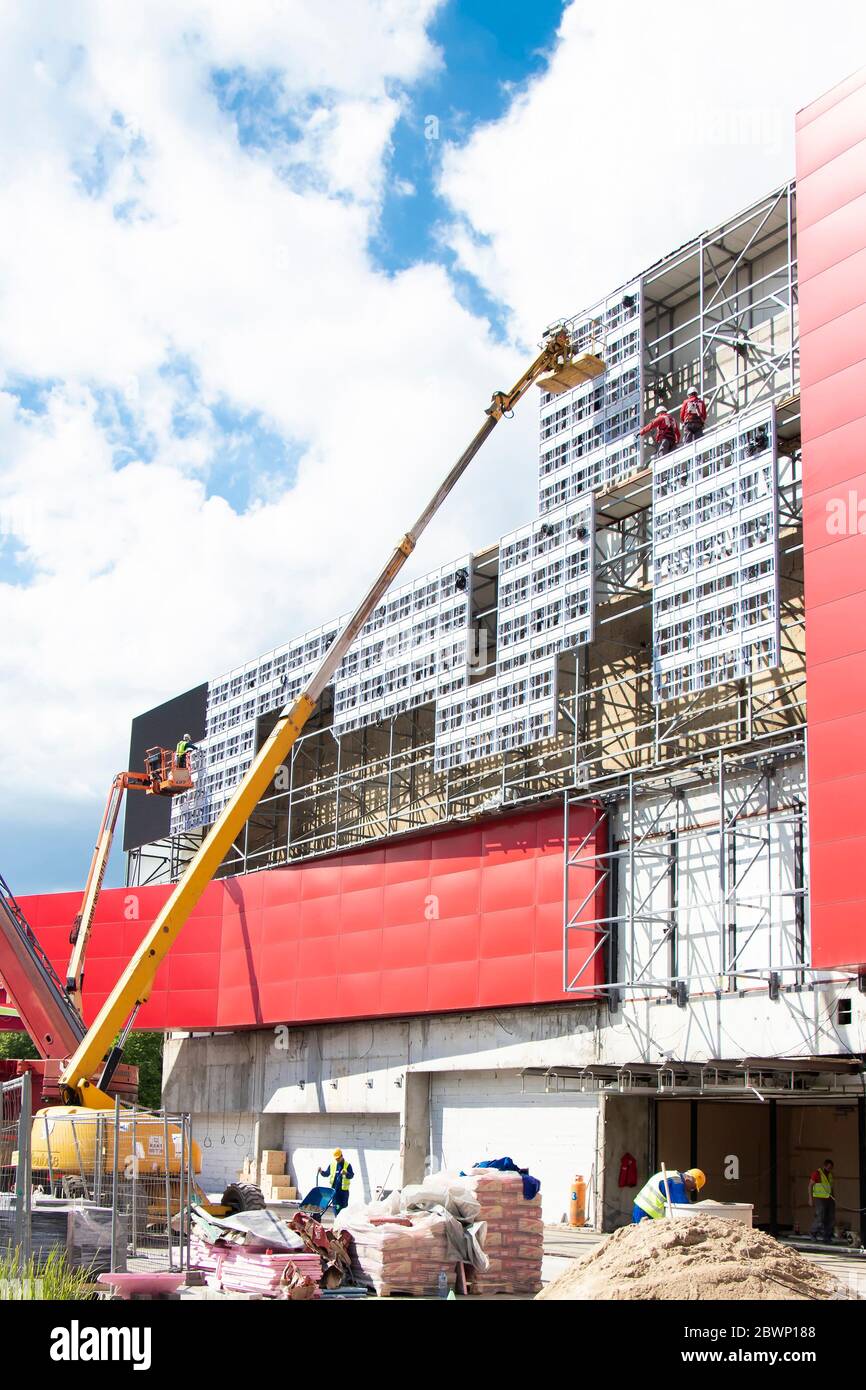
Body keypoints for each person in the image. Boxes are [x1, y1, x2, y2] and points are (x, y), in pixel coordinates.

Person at [632, 1167, 706, 1222]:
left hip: (640, 1207)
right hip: (646, 1213)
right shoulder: (677, 1182)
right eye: (693, 1188)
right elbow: (683, 1205)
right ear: (688, 1180)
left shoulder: (672, 1175)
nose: (691, 1190)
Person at [808, 1158, 835, 1242]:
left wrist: (833, 1197)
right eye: (829, 1167)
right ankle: (813, 1232)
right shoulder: (817, 1173)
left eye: (831, 1168)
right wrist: (810, 1199)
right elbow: (810, 1186)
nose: (830, 1169)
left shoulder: (830, 1175)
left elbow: (830, 1187)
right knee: (820, 1216)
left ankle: (827, 1236)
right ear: (824, 1166)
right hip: (819, 1198)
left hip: (829, 1198)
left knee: (830, 1217)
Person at [319, 1147, 354, 1212]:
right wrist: (321, 1172)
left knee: (344, 1210)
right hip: (334, 1191)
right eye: (336, 1159)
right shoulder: (332, 1165)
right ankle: (337, 1220)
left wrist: (346, 1173)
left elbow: (351, 1176)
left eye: (338, 1158)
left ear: (342, 1156)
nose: (337, 1160)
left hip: (344, 1192)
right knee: (336, 1208)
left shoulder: (347, 1165)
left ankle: (343, 1222)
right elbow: (327, 1174)